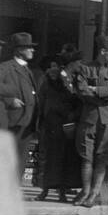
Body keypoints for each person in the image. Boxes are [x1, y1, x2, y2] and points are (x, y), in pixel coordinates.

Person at [70, 35, 108, 206]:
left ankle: (93, 194)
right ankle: (85, 191)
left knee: (101, 157)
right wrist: (103, 94)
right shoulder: (85, 68)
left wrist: (95, 89)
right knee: (86, 157)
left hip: (107, 120)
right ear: (103, 52)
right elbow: (82, 92)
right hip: (89, 118)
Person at [35, 44, 83, 201]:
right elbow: (52, 102)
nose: (80, 65)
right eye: (78, 62)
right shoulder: (55, 78)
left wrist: (74, 114)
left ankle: (62, 191)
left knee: (66, 159)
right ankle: (45, 189)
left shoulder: (74, 79)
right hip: (54, 124)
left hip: (68, 125)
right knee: (51, 158)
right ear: (72, 63)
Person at [0, 32, 40, 182]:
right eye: (29, 48)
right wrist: (9, 101)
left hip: (27, 123)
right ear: (20, 50)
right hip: (13, 122)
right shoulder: (4, 68)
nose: (32, 50)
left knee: (20, 162)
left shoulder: (27, 70)